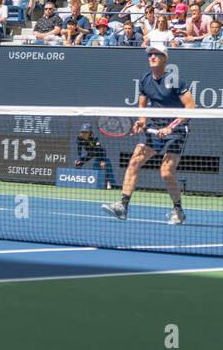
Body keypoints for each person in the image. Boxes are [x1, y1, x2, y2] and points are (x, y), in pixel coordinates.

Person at [101, 47, 195, 225]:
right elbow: (142, 107)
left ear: (165, 58)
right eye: (150, 54)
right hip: (153, 129)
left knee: (166, 173)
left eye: (157, 54)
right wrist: (141, 121)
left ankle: (178, 210)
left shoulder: (175, 80)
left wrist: (171, 127)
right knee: (134, 161)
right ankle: (123, 206)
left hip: (176, 130)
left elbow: (191, 108)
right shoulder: (144, 79)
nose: (152, 57)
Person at [74, 123, 115, 190]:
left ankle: (108, 182)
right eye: (82, 131)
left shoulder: (95, 138)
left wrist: (102, 160)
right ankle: (77, 181)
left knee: (103, 166)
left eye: (85, 132)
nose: (84, 133)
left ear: (89, 132)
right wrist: (79, 158)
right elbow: (79, 148)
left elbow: (100, 149)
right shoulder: (79, 138)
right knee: (78, 163)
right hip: (90, 152)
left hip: (99, 152)